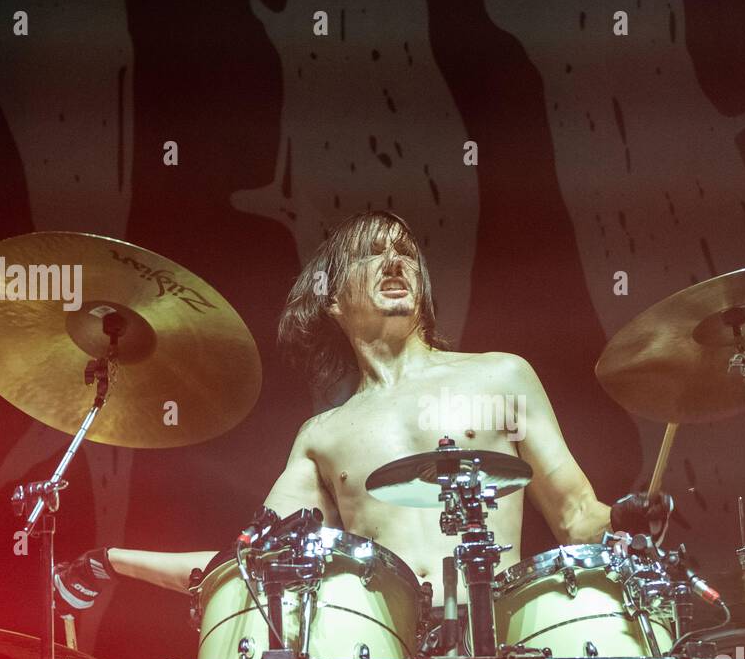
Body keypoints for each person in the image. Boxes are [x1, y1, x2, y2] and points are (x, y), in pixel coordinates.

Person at [55, 210, 666, 614]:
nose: (396, 263)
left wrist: (628, 519)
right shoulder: (323, 435)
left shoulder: (500, 376)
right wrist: (110, 559)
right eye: (372, 254)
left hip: (501, 647)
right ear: (330, 299)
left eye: (406, 254)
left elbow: (576, 516)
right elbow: (249, 563)